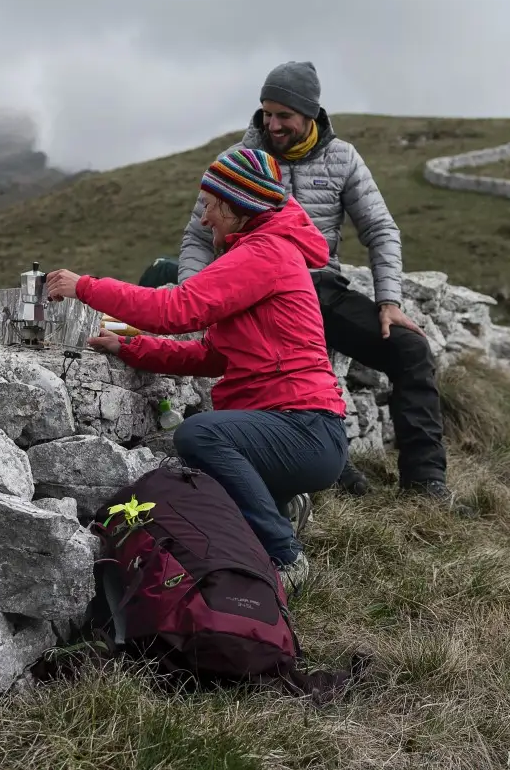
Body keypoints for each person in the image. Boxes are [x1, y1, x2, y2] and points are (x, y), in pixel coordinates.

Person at [45, 147, 347, 594]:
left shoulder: (265, 254)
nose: (204, 219)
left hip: (303, 429)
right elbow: (211, 357)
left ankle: (288, 556)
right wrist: (131, 348)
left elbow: (175, 307)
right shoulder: (265, 253)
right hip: (300, 429)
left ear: (233, 204)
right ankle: (277, 516)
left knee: (199, 435)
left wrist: (85, 287)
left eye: (208, 206)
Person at [178, 61, 457, 505]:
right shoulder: (240, 158)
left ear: (310, 114)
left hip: (321, 287)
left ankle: (426, 483)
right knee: (289, 360)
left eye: (283, 115)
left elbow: (381, 229)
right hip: (253, 286)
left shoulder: (343, 157)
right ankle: (327, 461)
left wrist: (388, 299)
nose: (272, 124)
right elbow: (197, 234)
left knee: (410, 348)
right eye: (266, 113)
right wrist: (191, 292)